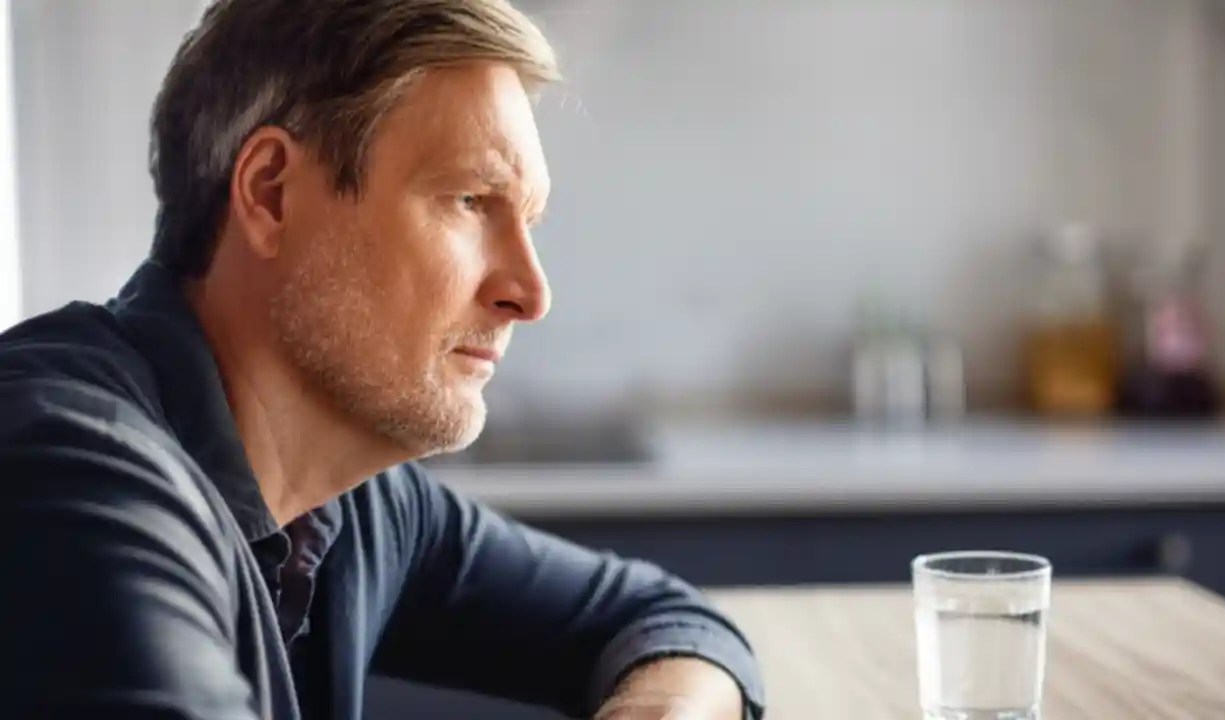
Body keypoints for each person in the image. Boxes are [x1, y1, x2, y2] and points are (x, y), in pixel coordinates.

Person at [0, 1, 764, 718]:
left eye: (527, 221)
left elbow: (665, 619)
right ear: (272, 193)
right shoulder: (76, 479)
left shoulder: (346, 504)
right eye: (471, 202)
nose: (530, 294)